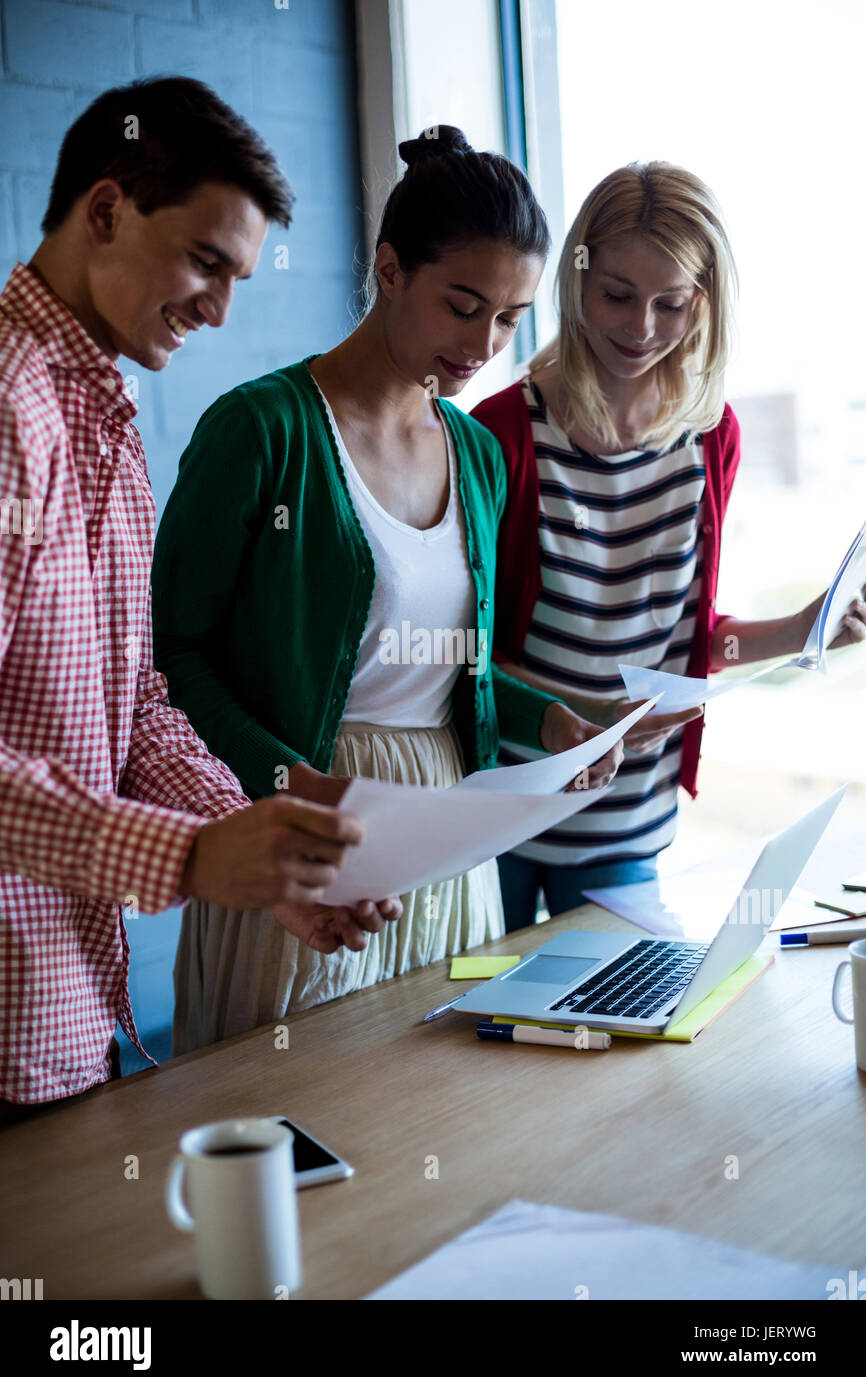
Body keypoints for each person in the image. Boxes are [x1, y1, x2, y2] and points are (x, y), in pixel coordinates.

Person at [152, 125, 624, 1053]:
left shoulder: (478, 455)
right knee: (297, 1118)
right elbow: (170, 658)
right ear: (390, 270)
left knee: (449, 1112)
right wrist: (292, 780)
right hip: (301, 838)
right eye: (463, 305)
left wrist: (549, 719)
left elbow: (449, 668)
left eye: (511, 319)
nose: (484, 344)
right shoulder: (262, 430)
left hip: (445, 845)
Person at [0, 78, 374, 1118]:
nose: (219, 309)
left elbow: (137, 711)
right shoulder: (6, 411)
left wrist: (262, 846)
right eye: (207, 262)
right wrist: (195, 856)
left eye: (238, 276)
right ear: (107, 210)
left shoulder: (106, 414)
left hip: (62, 1016)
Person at [472, 161, 866, 932]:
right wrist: (578, 712)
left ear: (706, 303)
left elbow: (690, 637)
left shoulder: (711, 436)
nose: (640, 328)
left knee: (618, 1030)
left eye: (672, 304)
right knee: (469, 1039)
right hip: (498, 818)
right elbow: (466, 654)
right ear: (575, 281)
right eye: (616, 294)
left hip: (626, 820)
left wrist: (804, 628)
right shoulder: (504, 434)